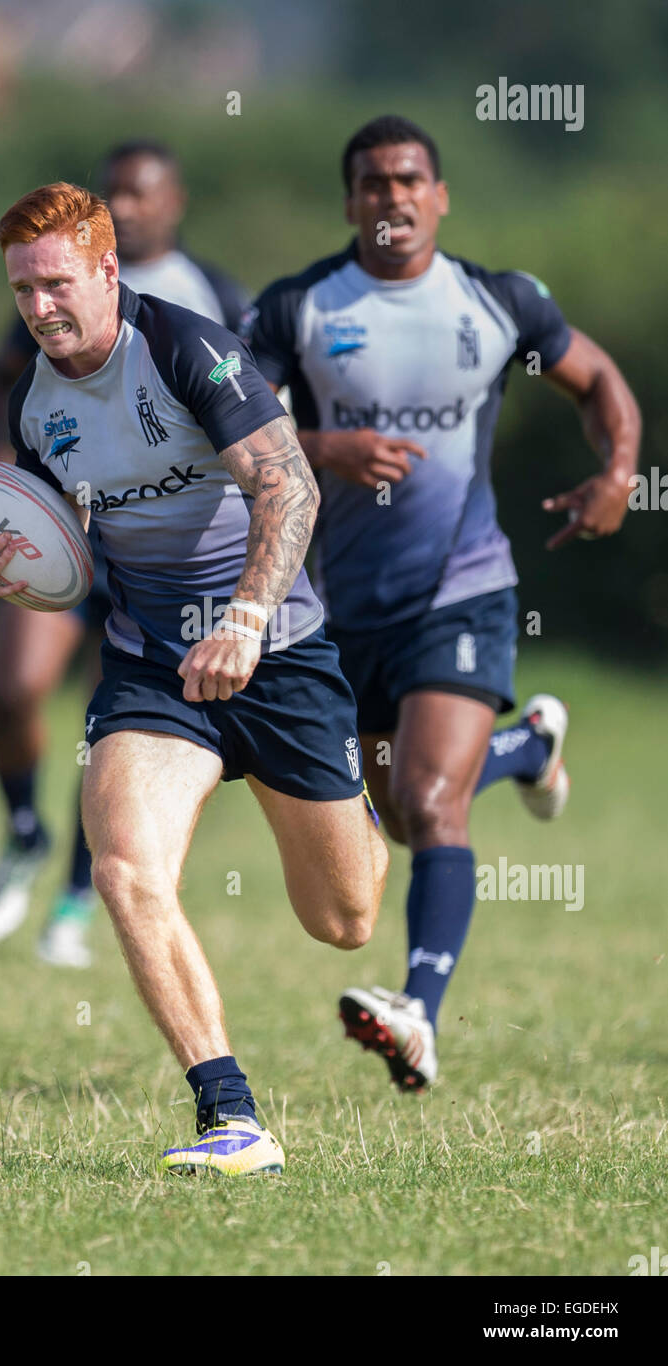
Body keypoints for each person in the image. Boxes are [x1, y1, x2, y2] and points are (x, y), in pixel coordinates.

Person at [0, 182, 389, 1173]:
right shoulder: (34, 401)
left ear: (105, 271)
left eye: (55, 283)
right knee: (125, 869)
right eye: (21, 291)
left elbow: (287, 483)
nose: (39, 309)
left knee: (344, 920)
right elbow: (55, 564)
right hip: (151, 667)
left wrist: (247, 618)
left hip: (276, 650)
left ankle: (363, 805)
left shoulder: (188, 349)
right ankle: (231, 1116)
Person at [244, 114, 641, 1091]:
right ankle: (532, 745)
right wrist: (325, 449)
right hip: (344, 610)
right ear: (350, 203)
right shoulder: (298, 308)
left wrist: (619, 471)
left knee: (429, 800)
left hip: (462, 591)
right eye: (373, 183)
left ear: (440, 194)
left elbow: (596, 383)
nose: (393, 197)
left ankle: (419, 1010)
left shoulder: (496, 303)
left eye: (409, 178)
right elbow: (234, 429)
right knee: (406, 818)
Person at [0, 141, 248, 968]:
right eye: (113, 191)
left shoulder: (211, 301)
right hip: (64, 534)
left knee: (109, 731)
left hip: (158, 563)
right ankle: (22, 829)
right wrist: (3, 479)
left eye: (141, 192)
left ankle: (74, 897)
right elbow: (0, 381)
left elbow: (261, 422)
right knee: (15, 688)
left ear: (175, 202)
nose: (125, 203)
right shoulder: (53, 287)